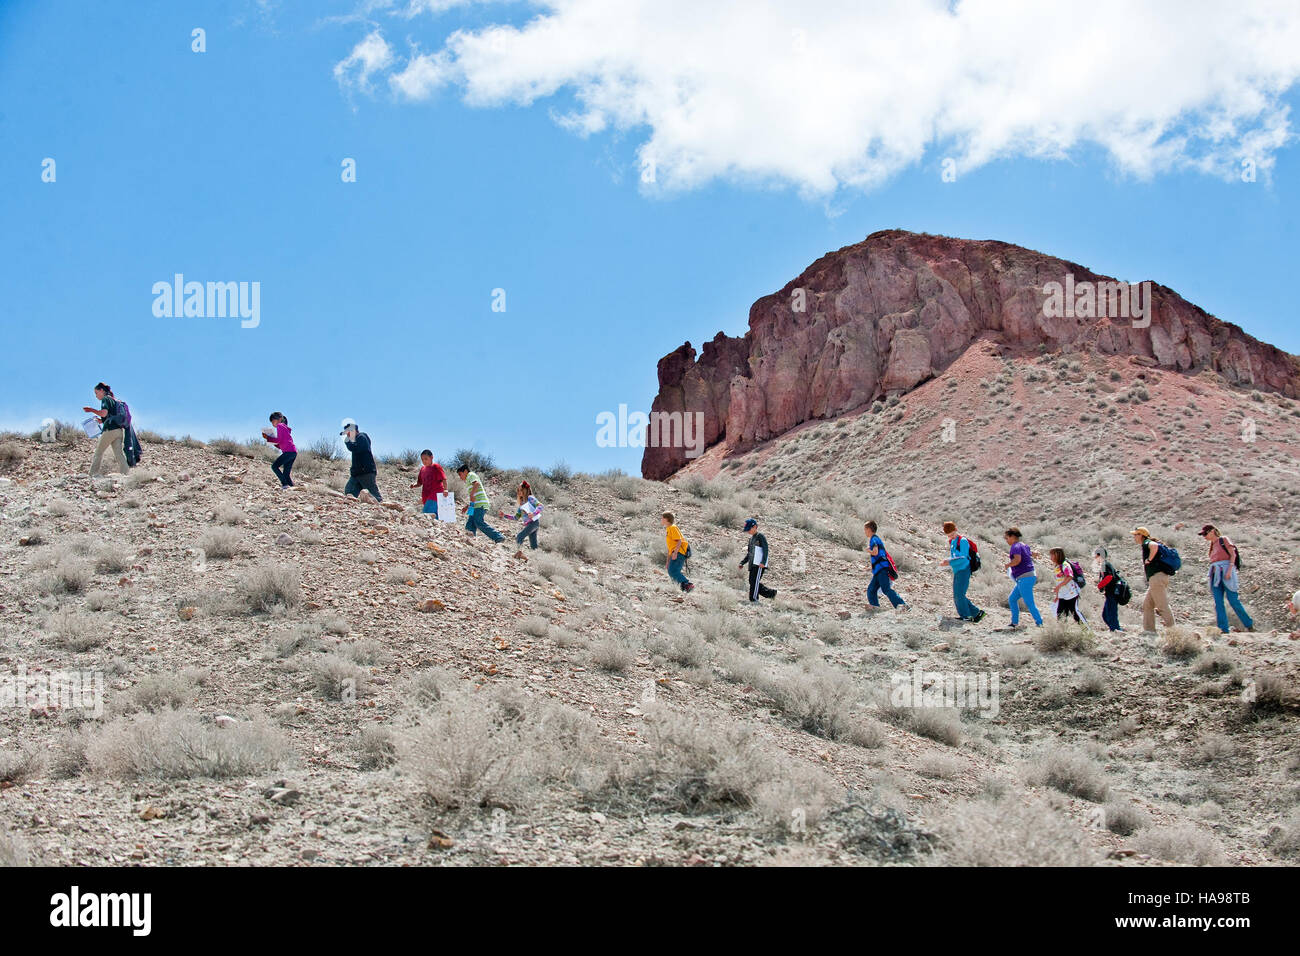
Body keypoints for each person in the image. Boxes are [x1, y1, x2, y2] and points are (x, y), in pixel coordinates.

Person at [1200, 524, 1254, 634]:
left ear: (1212, 531)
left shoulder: (1223, 540)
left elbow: (1232, 555)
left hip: (1226, 571)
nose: (1204, 536)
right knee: (1218, 602)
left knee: (1233, 600)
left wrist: (1229, 570)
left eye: (1205, 534)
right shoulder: (1212, 545)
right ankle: (1223, 629)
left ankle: (1249, 624)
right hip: (1215, 574)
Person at [1133, 526, 1176, 633]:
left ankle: (1173, 631)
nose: (1134, 537)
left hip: (1157, 578)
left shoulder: (1147, 542)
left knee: (1162, 606)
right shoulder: (1146, 543)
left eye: (1135, 534)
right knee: (1147, 605)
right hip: (1157, 579)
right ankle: (1149, 630)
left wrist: (1149, 559)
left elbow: (1154, 546)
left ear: (1141, 535)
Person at [940, 521, 985, 622]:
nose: (951, 537)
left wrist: (949, 562)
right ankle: (977, 613)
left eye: (952, 534)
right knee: (957, 594)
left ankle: (966, 616)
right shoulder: (952, 542)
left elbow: (963, 558)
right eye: (949, 535)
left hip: (964, 569)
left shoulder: (963, 541)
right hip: (957, 570)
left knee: (959, 594)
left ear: (956, 530)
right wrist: (948, 561)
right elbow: (955, 556)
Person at [83, 383, 129, 477]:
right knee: (118, 454)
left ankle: (92, 474)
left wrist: (91, 410)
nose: (96, 396)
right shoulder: (114, 400)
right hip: (119, 431)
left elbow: (104, 413)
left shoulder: (105, 399)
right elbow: (107, 417)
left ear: (101, 391)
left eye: (96, 393)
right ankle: (125, 473)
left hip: (110, 431)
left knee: (98, 452)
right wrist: (100, 421)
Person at [1002, 528, 1042, 627]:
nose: (1006, 540)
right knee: (1012, 599)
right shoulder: (1024, 545)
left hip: (1025, 577)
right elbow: (1030, 553)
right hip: (1027, 577)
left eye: (1006, 538)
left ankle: (1040, 623)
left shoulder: (1015, 547)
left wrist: (1008, 565)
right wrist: (1035, 554)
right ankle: (1014, 622)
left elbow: (1017, 560)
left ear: (1012, 537)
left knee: (1029, 602)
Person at [864, 520, 905, 610]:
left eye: (865, 529)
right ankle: (875, 608)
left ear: (869, 529)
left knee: (886, 589)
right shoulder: (876, 539)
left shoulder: (874, 539)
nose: (864, 531)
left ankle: (902, 605)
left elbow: (875, 552)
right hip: (879, 570)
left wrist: (869, 551)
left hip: (881, 569)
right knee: (871, 590)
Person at [457, 464, 504, 542]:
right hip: (474, 505)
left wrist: (471, 494)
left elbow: (477, 484)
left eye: (460, 474)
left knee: (478, 522)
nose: (460, 477)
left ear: (465, 471)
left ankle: (498, 536)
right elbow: (474, 496)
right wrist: (467, 506)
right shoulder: (468, 481)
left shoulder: (470, 475)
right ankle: (470, 540)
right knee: (470, 523)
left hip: (480, 504)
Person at [340, 418, 382, 501]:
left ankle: (382, 509)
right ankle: (351, 510)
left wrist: (347, 441)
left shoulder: (362, 437)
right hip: (357, 473)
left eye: (348, 433)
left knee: (374, 495)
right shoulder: (357, 439)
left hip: (365, 473)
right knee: (349, 492)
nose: (347, 436)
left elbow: (354, 448)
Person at [739, 518, 777, 603]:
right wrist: (743, 562)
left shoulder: (760, 536)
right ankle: (771, 593)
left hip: (759, 564)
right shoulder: (751, 539)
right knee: (752, 581)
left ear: (755, 527)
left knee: (754, 582)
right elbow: (749, 553)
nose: (748, 531)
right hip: (752, 564)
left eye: (749, 529)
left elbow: (765, 549)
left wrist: (763, 562)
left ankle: (754, 599)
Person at [505, 480, 543, 557]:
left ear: (525, 490)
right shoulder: (522, 503)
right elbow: (516, 517)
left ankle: (518, 553)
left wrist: (533, 513)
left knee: (519, 536)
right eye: (518, 490)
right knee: (533, 544)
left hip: (533, 523)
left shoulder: (530, 498)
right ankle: (537, 558)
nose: (519, 492)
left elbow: (540, 506)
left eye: (521, 490)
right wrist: (504, 515)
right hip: (531, 524)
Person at [1050, 548, 1086, 623]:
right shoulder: (1057, 566)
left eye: (1052, 554)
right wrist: (1057, 595)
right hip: (1062, 595)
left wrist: (1058, 587)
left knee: (1075, 613)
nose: (1050, 557)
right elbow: (1058, 581)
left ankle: (1087, 632)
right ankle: (1062, 631)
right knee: (1060, 614)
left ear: (1057, 555)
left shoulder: (1065, 565)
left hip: (1071, 593)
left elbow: (1069, 577)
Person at [662, 511, 694, 593]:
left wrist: (675, 553)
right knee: (671, 570)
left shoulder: (672, 527)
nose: (661, 519)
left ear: (667, 519)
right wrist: (667, 561)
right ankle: (683, 587)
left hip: (679, 553)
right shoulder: (669, 529)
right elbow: (670, 547)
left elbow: (679, 541)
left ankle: (687, 584)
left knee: (673, 570)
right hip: (675, 552)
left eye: (663, 518)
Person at [1094, 546, 1124, 632]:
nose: (1095, 557)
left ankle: (1116, 630)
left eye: (1096, 555)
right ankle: (1114, 629)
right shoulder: (1104, 564)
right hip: (1110, 593)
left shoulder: (1104, 564)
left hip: (1113, 593)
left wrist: (1100, 585)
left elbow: (1109, 577)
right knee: (1105, 615)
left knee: (1111, 614)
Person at [263, 412, 297, 489]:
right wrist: (271, 441)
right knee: (286, 473)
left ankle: (284, 484)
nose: (272, 424)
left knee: (274, 466)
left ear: (279, 419)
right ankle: (292, 487)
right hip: (292, 452)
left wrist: (268, 438)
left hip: (288, 452)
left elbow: (279, 440)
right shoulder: (284, 428)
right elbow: (280, 445)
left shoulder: (280, 425)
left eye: (272, 421)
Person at [410, 450, 446, 517]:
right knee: (435, 516)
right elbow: (420, 483)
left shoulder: (436, 467)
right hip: (426, 496)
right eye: (422, 459)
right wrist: (414, 485)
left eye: (426, 459)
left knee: (427, 513)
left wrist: (445, 490)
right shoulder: (422, 469)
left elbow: (443, 479)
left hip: (435, 494)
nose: (424, 461)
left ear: (431, 457)